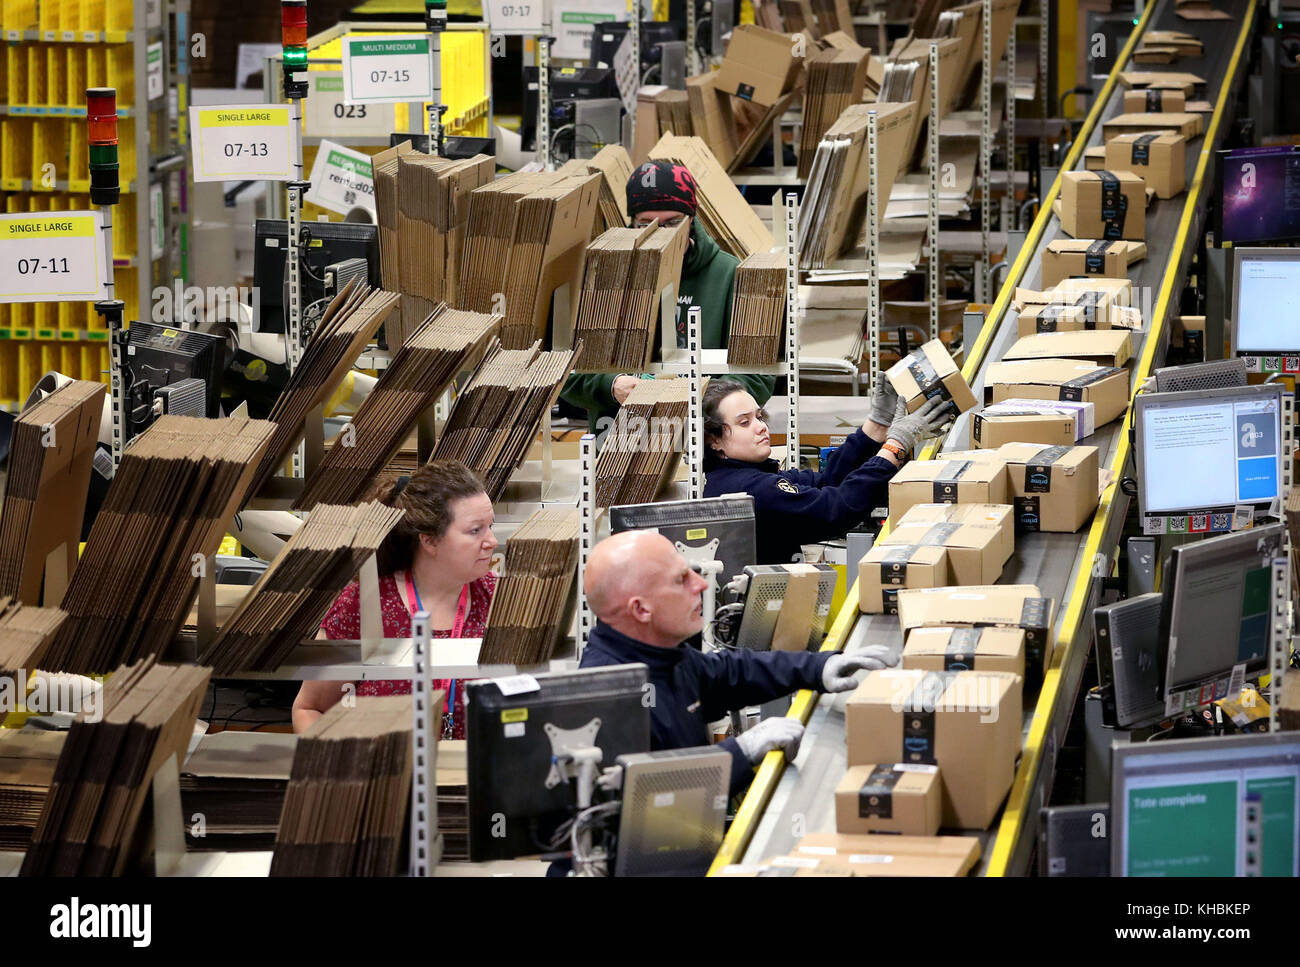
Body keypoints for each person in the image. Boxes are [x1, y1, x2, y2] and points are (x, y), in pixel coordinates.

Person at [580, 531, 891, 796]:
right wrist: (741, 752)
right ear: (641, 609)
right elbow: (650, 796)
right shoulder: (606, 699)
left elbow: (730, 672)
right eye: (681, 579)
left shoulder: (659, 654)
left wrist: (818, 667)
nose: (701, 585)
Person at [560, 160, 775, 434]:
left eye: (672, 223)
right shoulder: (602, 278)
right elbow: (565, 372)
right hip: (618, 438)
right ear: (631, 223)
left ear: (692, 219)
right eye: (646, 225)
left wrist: (708, 398)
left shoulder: (731, 274)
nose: (661, 235)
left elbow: (758, 372)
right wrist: (611, 385)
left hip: (705, 438)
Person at [291, 461, 498, 736]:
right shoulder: (365, 603)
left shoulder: (499, 601)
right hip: (382, 774)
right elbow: (310, 709)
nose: (492, 541)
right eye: (475, 530)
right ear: (429, 541)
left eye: (491, 526)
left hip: (479, 775)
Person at [702, 378, 951, 564]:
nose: (761, 427)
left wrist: (876, 427)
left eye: (759, 416)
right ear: (714, 439)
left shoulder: (744, 476)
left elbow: (827, 481)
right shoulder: (749, 490)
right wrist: (895, 446)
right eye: (744, 422)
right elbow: (834, 509)